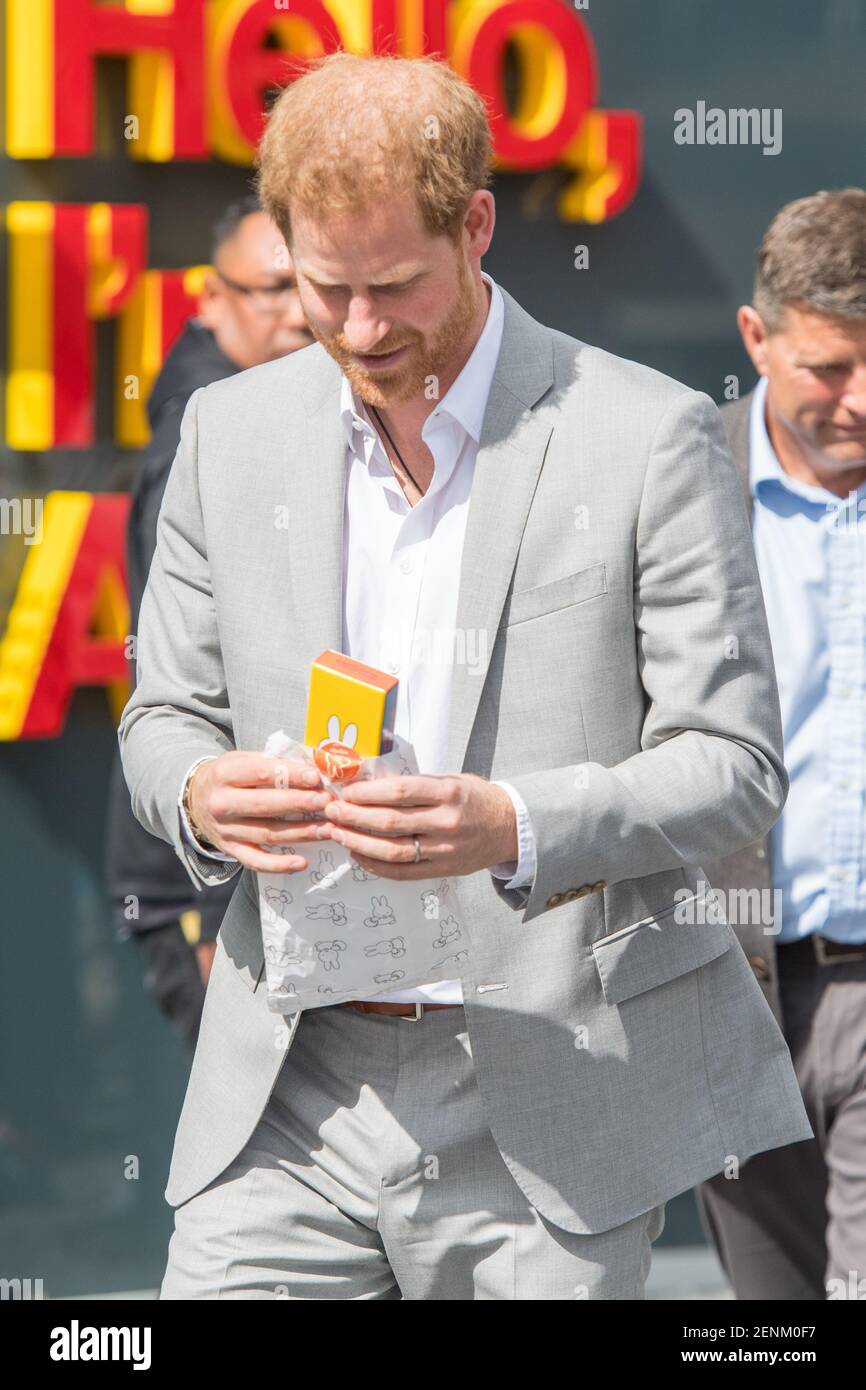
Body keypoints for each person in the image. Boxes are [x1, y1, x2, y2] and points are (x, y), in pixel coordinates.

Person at [118, 51, 812, 1300]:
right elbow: (162, 715)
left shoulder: (643, 434)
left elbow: (733, 767)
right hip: (290, 1086)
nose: (364, 329)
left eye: (396, 286)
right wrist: (203, 793)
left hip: (547, 1091)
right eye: (327, 290)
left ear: (476, 222)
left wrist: (515, 823)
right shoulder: (228, 432)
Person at [697, 188, 866, 1300]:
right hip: (723, 987)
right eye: (828, 369)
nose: (861, 400)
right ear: (755, 339)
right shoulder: (673, 487)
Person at [105, 196, 313, 1053]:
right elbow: (182, 688)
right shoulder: (204, 441)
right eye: (273, 289)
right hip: (207, 877)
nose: (301, 310)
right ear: (211, 299)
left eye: (311, 282)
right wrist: (200, 908)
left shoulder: (285, 407)